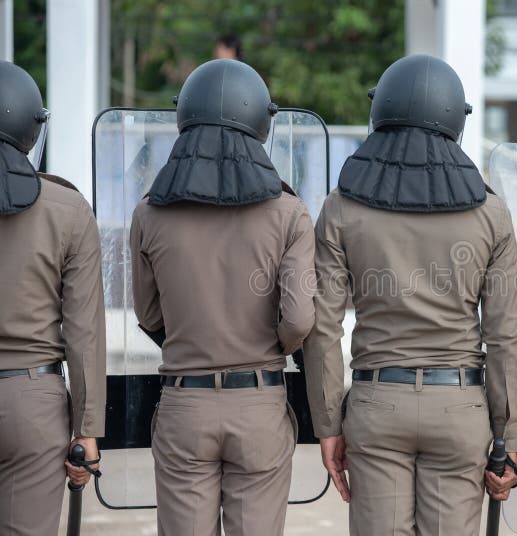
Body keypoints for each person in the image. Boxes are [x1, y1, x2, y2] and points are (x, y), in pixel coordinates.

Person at [304, 54, 517, 536]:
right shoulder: (491, 214)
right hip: (460, 408)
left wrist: (327, 424)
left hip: (377, 404)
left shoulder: (341, 207)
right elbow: (506, 335)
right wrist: (507, 436)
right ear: (455, 120)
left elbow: (322, 325)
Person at [130, 58, 315, 536]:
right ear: (260, 121)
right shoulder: (290, 213)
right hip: (258, 404)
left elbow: (148, 314)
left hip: (183, 407)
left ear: (184, 118)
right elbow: (298, 320)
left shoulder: (149, 213)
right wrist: (268, 346)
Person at [0, 61, 106, 535]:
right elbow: (84, 332)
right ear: (33, 128)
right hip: (33, 403)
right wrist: (87, 430)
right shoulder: (67, 210)